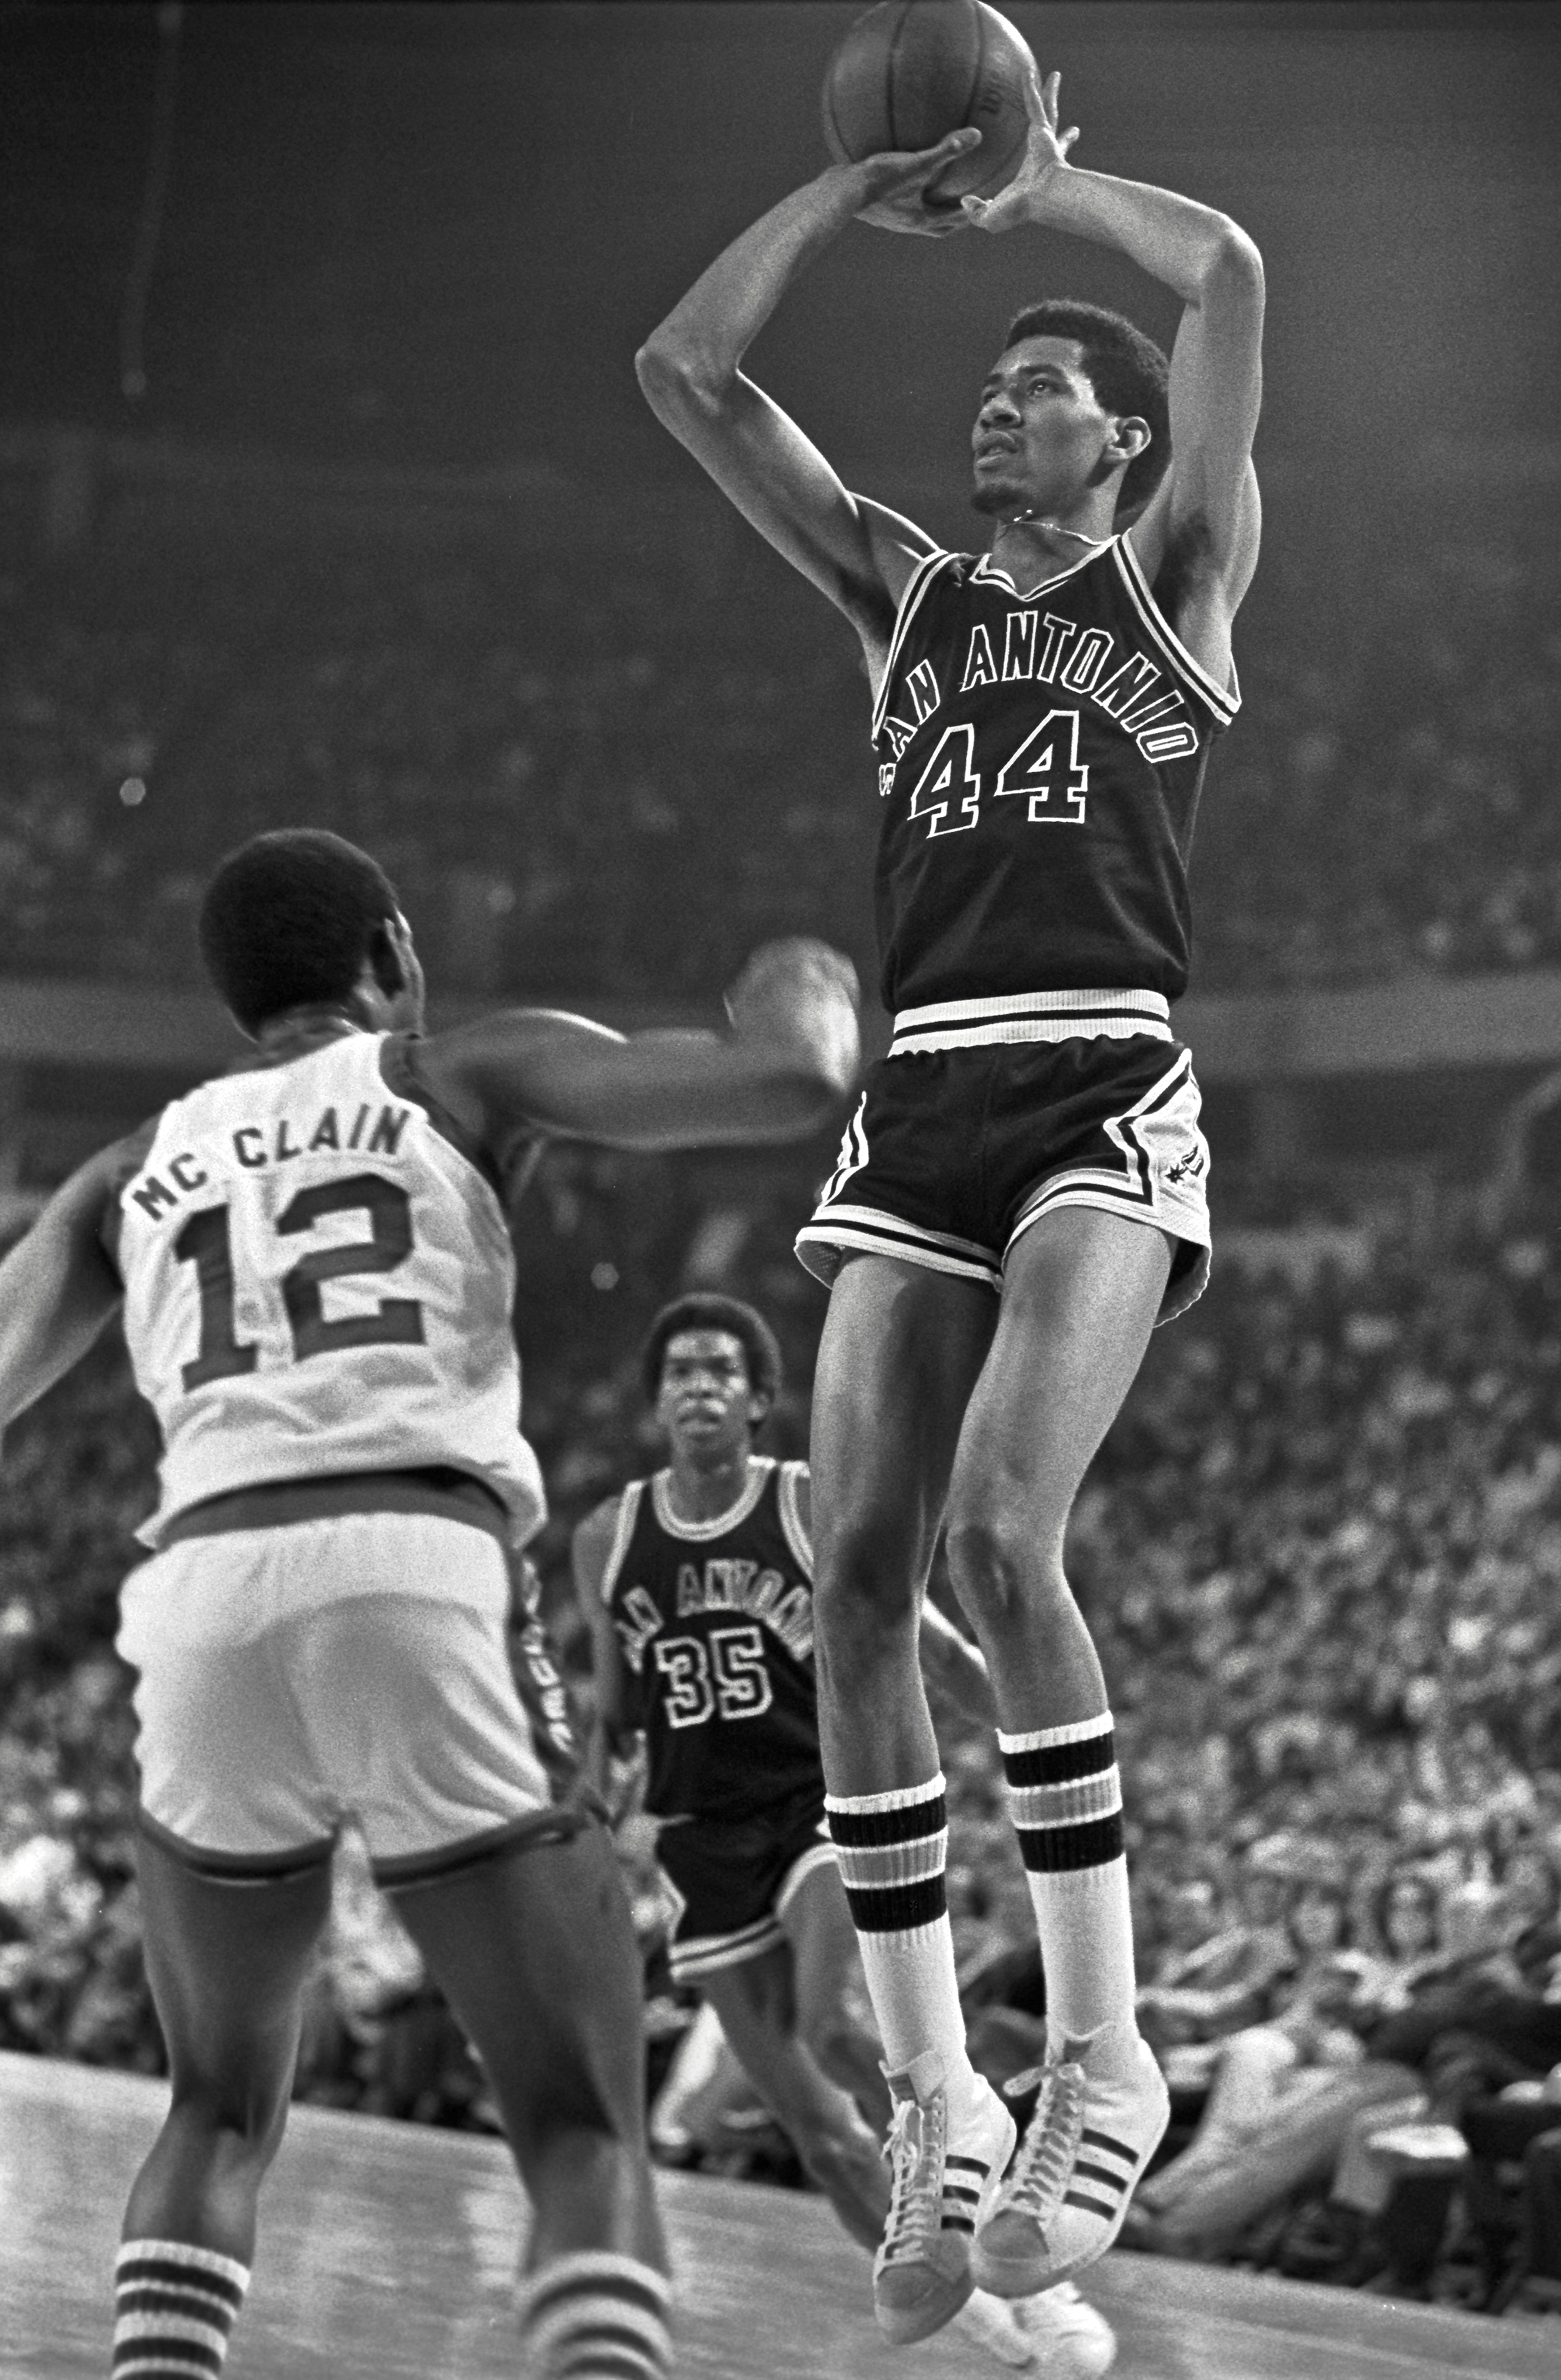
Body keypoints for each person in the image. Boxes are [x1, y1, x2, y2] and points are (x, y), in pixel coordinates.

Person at [636, 46, 1263, 2341]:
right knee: (862, 1583)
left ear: (1114, 435)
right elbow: (685, 370)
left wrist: (1043, 199)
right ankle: (940, 2092)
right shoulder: (899, 596)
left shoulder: (1178, 568)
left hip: (1101, 1075)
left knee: (1010, 1538)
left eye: (1031, 396)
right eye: (985, 393)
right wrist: (851, 192)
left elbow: (1227, 275)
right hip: (919, 1104)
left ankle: (1103, 2040)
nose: (990, 415)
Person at [0, 827, 860, 2380]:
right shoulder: (456, 1069)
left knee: (212, 2106)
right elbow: (787, 1082)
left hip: (198, 1597)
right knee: (582, 2120)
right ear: (393, 948)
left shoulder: (139, 1162)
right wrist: (805, 983)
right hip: (411, 1555)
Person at [571, 1292, 1117, 2376]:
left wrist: (1037, 1745)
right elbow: (611, 1709)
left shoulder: (804, 1501)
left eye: (721, 1371)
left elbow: (922, 1643)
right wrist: (588, 1819)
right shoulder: (607, 1536)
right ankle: (1003, 2341)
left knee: (832, 2026)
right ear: (655, 1402)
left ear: (763, 1400)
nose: (698, 1387)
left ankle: (1029, 2253)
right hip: (695, 1839)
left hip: (814, 1807)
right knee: (822, 2141)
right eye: (678, 1371)